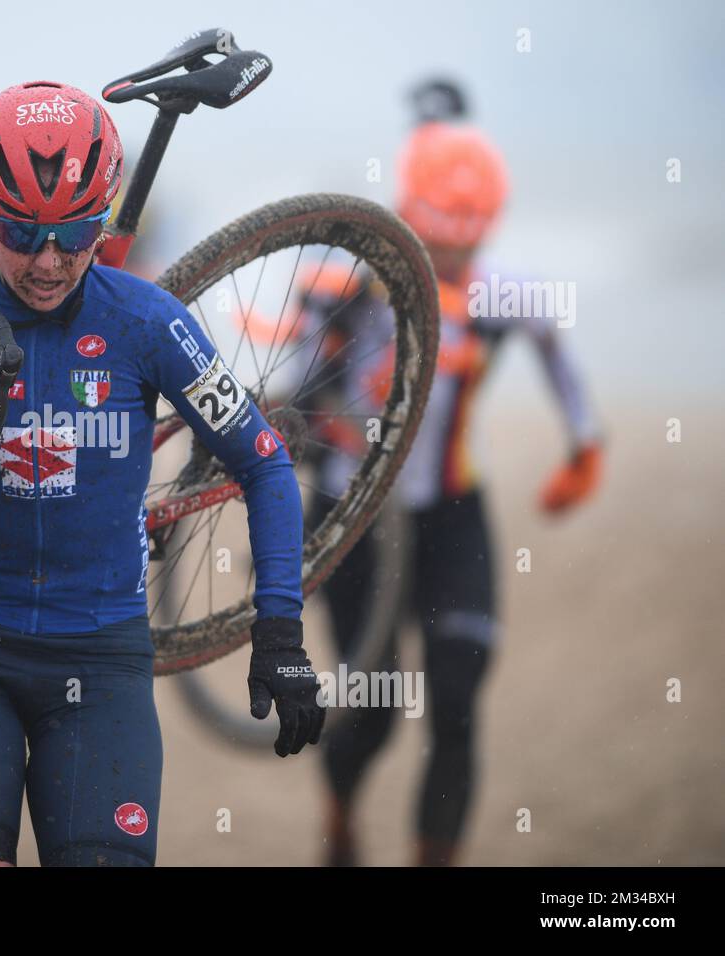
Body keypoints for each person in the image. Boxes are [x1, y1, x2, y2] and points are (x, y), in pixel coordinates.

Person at [0, 81, 326, 867]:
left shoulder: (147, 320)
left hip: (104, 660)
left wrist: (280, 630)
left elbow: (263, 462)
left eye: (77, 233)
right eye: (22, 234)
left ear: (108, 217)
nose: (50, 261)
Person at [298, 118, 604, 867]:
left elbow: (559, 355)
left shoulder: (505, 292)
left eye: (467, 244)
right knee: (373, 715)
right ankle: (339, 822)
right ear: (408, 215)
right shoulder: (353, 279)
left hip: (453, 510)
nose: (451, 257)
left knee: (459, 705)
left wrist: (585, 446)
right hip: (351, 515)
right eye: (436, 242)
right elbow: (298, 397)